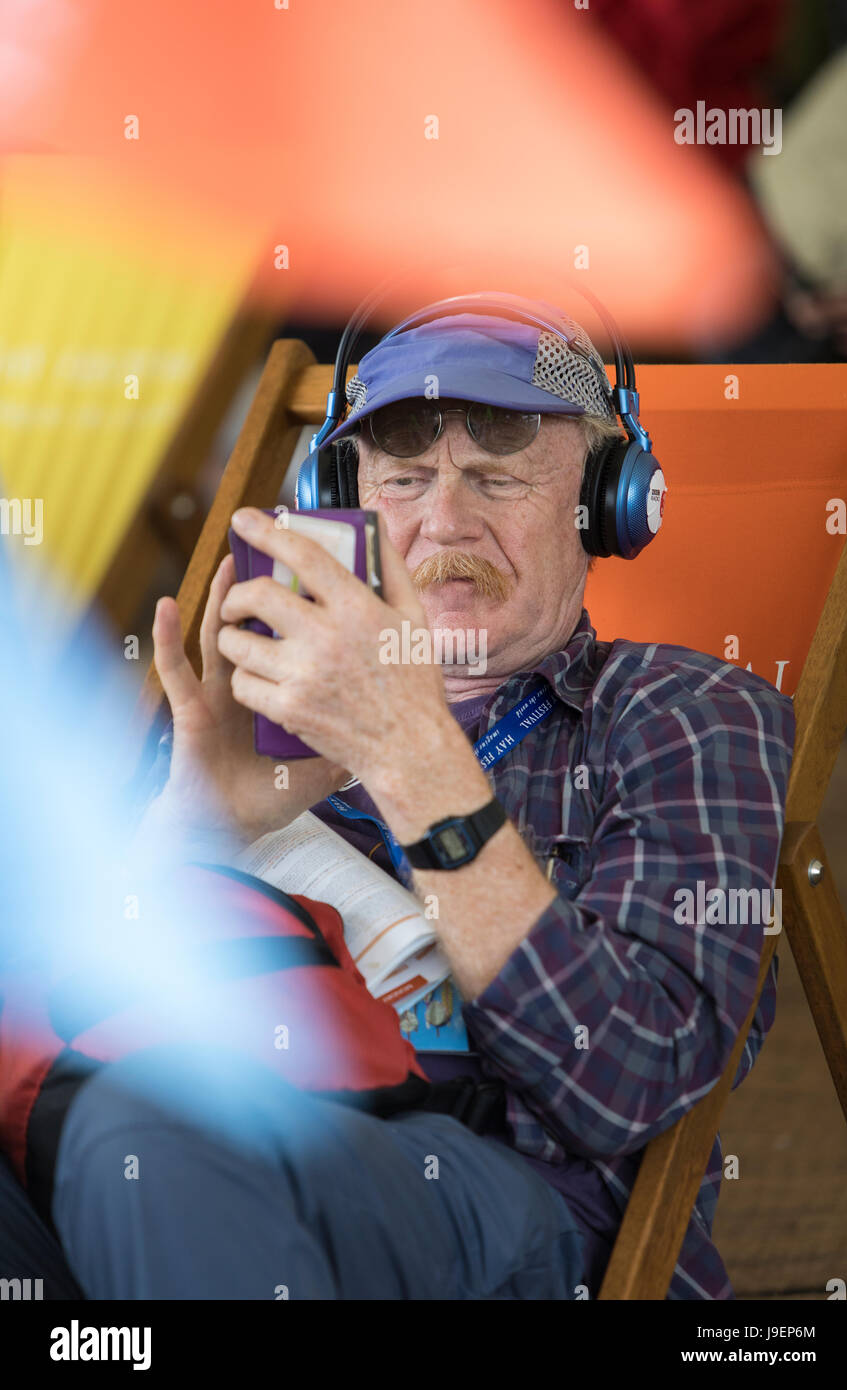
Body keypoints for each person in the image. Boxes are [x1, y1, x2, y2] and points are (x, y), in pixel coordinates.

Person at [10, 299, 795, 1299]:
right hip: (200, 1150)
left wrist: (410, 753)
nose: (443, 522)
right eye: (405, 479)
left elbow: (634, 1079)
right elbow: (68, 1007)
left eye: (497, 478)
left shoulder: (683, 715)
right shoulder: (261, 709)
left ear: (604, 504)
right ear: (343, 500)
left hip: (516, 1209)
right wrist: (198, 834)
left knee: (155, 1128)